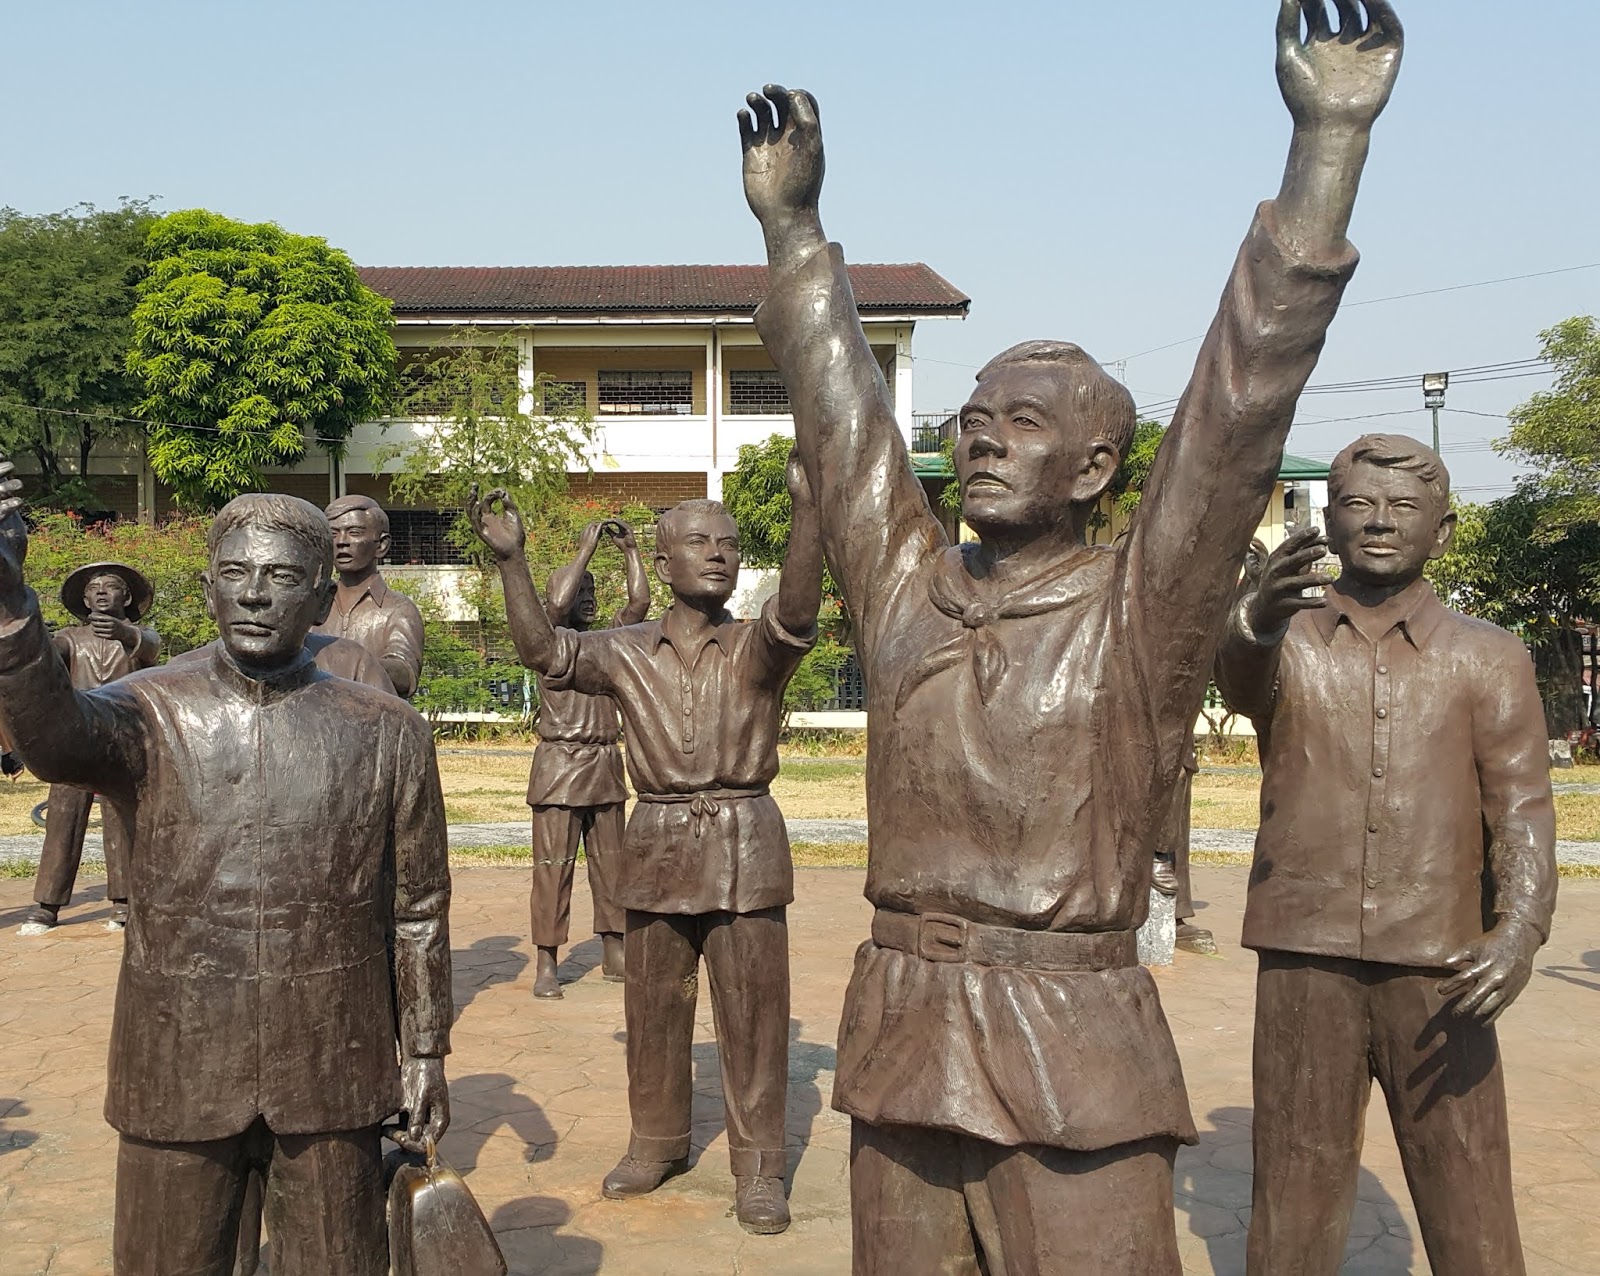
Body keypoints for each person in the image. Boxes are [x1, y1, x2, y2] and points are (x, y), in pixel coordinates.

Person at [736, 1, 1403, 1267]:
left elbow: (1237, 410)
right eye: (973, 417)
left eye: (1024, 421)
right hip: (903, 1034)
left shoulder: (1139, 613)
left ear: (1099, 466)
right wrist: (795, 231)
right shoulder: (909, 589)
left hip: (1071, 1043)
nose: (979, 433)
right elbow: (843, 423)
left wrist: (1325, 151)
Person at [0, 475, 452, 1276]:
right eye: (237, 574)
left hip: (332, 1062)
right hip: (176, 1058)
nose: (254, 596)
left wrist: (423, 1054)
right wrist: (8, 607)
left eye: (280, 579)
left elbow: (419, 909)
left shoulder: (389, 732)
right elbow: (51, 739)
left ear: (321, 601)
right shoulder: (148, 710)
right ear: (209, 587)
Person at [1215, 435, 1555, 1276]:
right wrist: (1254, 617)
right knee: (1292, 1193)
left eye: (1403, 509)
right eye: (1359, 505)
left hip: (1444, 967)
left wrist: (1519, 933)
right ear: (1329, 519)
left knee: (1468, 1192)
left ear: (1442, 532)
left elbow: (1522, 809)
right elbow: (1236, 684)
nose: (1378, 522)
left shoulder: (1489, 655)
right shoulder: (1283, 638)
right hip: (1305, 959)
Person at [468, 455, 822, 1236]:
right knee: (654, 1003)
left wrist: (809, 514)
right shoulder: (624, 648)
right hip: (657, 838)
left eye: (729, 542)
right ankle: (655, 1141)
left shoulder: (757, 647)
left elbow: (797, 608)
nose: (720, 553)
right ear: (663, 564)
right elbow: (543, 651)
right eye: (701, 542)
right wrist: (512, 562)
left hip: (745, 841)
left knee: (755, 1017)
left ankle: (759, 1166)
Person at [527, 518, 651, 999]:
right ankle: (547, 960)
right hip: (559, 764)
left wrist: (631, 550)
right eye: (583, 590)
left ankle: (614, 947)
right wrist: (584, 552)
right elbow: (556, 602)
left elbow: (639, 605)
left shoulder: (609, 645)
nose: (588, 598)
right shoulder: (550, 643)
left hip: (604, 763)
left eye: (593, 592)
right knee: (553, 868)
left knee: (612, 865)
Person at [19, 561, 159, 935]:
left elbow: (152, 651)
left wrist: (125, 634)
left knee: (122, 819)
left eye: (111, 587)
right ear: (84, 599)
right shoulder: (70, 638)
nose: (101, 592)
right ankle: (47, 905)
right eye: (94, 588)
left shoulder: (139, 636)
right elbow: (45, 658)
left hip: (122, 737)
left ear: (126, 597)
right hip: (76, 735)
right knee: (63, 817)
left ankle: (124, 901)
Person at [312, 494, 425, 699]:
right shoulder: (315, 605)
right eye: (333, 534)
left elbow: (405, 674)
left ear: (381, 545)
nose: (341, 542)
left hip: (373, 720)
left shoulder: (398, 609)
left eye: (354, 532)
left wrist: (353, 663)